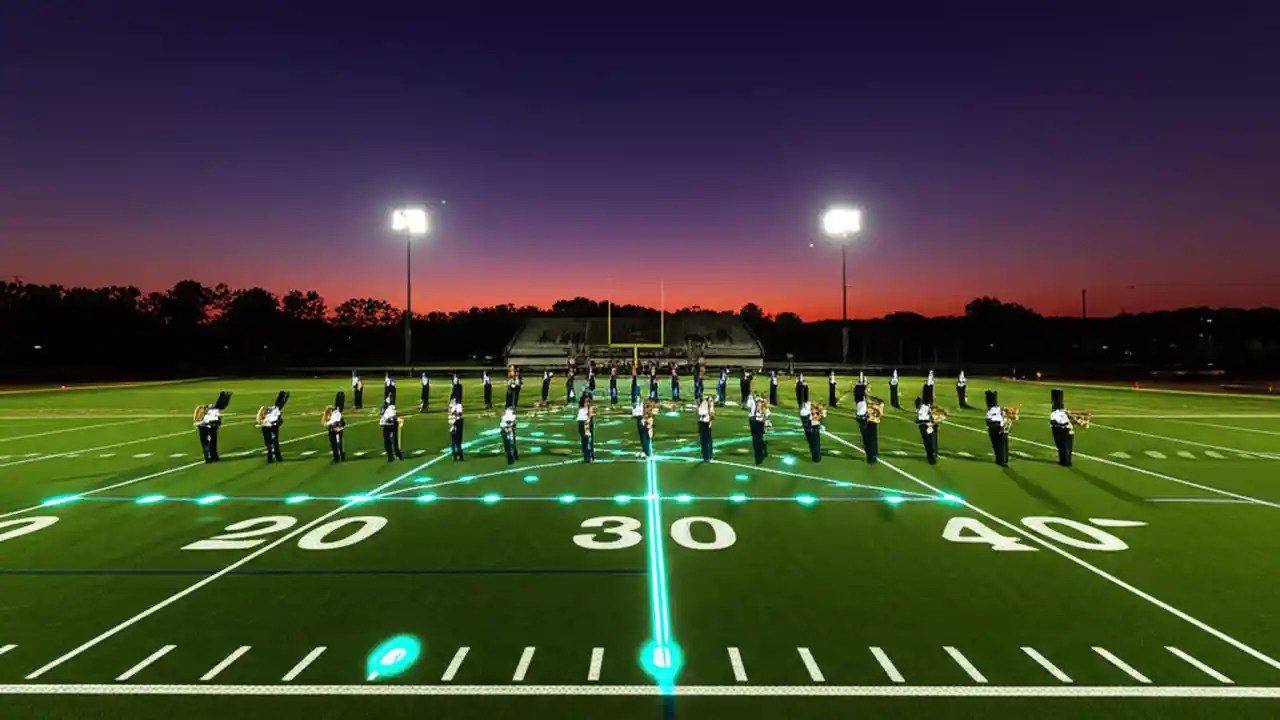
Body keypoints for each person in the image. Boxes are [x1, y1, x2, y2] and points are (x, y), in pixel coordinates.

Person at [194, 391, 231, 463]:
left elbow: (199, 408)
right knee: (210, 442)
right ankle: (213, 457)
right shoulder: (215, 409)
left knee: (207, 442)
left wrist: (196, 419)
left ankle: (209, 457)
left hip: (205, 426)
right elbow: (217, 421)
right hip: (208, 426)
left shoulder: (213, 409)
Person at [257, 391, 287, 464]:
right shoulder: (276, 410)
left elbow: (259, 417)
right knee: (273, 442)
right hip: (271, 426)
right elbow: (280, 420)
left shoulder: (268, 409)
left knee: (270, 443)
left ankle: (272, 458)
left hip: (267, 426)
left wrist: (262, 421)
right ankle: (276, 457)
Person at [854, 383, 879, 464]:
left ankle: (872, 455)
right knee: (868, 440)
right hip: (865, 422)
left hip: (868, 421)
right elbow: (860, 415)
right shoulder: (861, 402)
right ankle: (871, 457)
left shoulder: (862, 399)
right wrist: (867, 415)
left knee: (870, 439)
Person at [1049, 388, 1074, 467]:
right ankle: (1067, 461)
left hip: (1062, 429)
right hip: (1068, 428)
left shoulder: (1055, 413)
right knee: (1068, 446)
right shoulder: (1064, 411)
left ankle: (1064, 461)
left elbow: (1054, 422)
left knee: (1062, 446)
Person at [916, 386, 939, 465]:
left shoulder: (922, 406)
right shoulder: (927, 407)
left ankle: (932, 456)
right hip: (927, 424)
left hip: (923, 424)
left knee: (928, 441)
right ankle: (932, 455)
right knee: (930, 440)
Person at [985, 390, 1009, 466]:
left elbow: (988, 420)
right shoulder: (998, 408)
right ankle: (1003, 459)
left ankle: (1000, 460)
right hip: (999, 425)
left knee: (996, 444)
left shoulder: (991, 410)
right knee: (1001, 443)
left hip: (994, 426)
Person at [324, 391, 346, 462]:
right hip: (333, 430)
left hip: (336, 430)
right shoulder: (333, 415)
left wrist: (338, 426)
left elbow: (342, 423)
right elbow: (325, 423)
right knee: (335, 445)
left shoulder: (335, 414)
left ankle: (341, 456)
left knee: (338, 444)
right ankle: (338, 457)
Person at [380, 395, 403, 461]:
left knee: (394, 441)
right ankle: (390, 456)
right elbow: (382, 414)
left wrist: (391, 420)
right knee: (386, 442)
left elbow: (392, 418)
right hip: (386, 425)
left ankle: (398, 455)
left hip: (392, 425)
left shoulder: (391, 407)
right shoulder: (384, 407)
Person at [750, 393, 769, 464]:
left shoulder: (762, 405)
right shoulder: (754, 402)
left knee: (758, 440)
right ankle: (760, 454)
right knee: (756, 440)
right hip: (755, 421)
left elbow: (766, 415)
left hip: (758, 423)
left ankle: (759, 457)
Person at [576, 396, 595, 463]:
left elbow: (590, 419)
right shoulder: (581, 409)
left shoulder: (590, 409)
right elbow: (580, 420)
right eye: (585, 402)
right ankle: (586, 456)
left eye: (588, 402)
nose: (587, 403)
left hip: (587, 425)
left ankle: (590, 456)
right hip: (582, 424)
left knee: (588, 441)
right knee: (584, 441)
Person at [697, 393, 714, 462]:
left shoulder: (707, 402)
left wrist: (710, 421)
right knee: (705, 440)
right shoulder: (703, 402)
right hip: (703, 421)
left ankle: (707, 456)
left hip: (705, 422)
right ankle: (707, 455)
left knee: (706, 440)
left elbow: (712, 413)